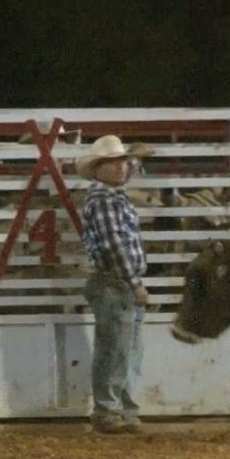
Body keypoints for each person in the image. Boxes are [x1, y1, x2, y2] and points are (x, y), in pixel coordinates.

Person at [77, 136, 150, 435]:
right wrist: (135, 284)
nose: (121, 167)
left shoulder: (108, 196)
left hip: (117, 281)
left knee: (125, 348)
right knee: (118, 349)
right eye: (113, 162)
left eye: (123, 162)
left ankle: (121, 410)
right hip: (116, 282)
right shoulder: (105, 200)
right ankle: (110, 411)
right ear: (98, 169)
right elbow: (114, 246)